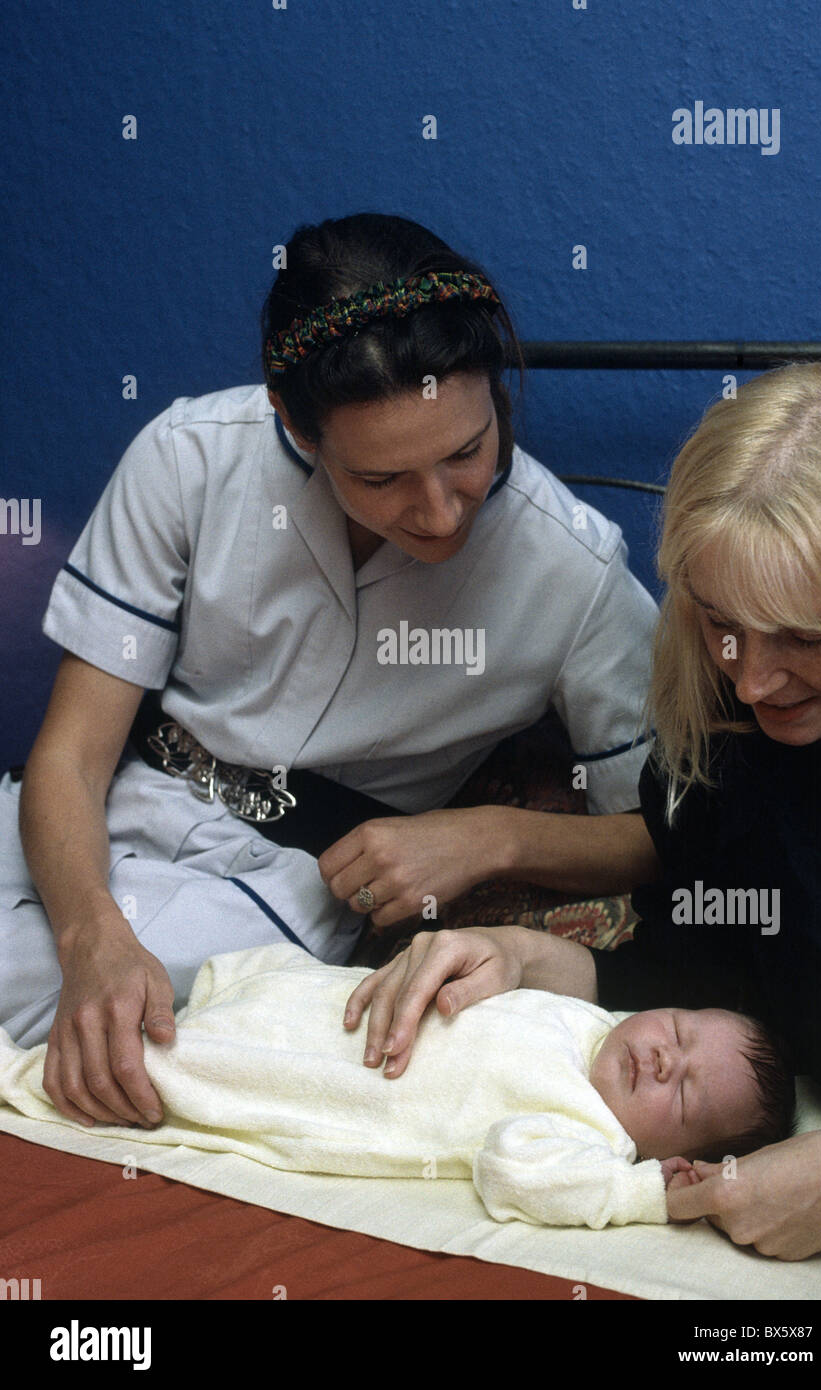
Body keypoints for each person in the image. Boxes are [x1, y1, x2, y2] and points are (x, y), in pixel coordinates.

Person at [0, 212, 658, 1135]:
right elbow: (67, 758)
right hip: (108, 801)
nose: (438, 512)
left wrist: (487, 836)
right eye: (382, 478)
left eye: (467, 452)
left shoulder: (574, 573)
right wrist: (89, 934)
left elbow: (668, 833)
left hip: (285, 878)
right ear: (293, 424)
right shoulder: (188, 458)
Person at [343, 358, 821, 1260]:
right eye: (718, 621)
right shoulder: (725, 742)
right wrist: (532, 959)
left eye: (804, 639)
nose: (751, 676)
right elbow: (720, 965)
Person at [0, 941, 794, 1231]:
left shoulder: (590, 1136)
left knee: (145, 1068)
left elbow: (517, 1174)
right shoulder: (583, 1015)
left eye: (682, 1096)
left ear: (666, 1151)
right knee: (264, 983)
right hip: (308, 1000)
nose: (662, 1060)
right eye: (679, 1032)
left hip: (303, 1078)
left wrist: (643, 1195)